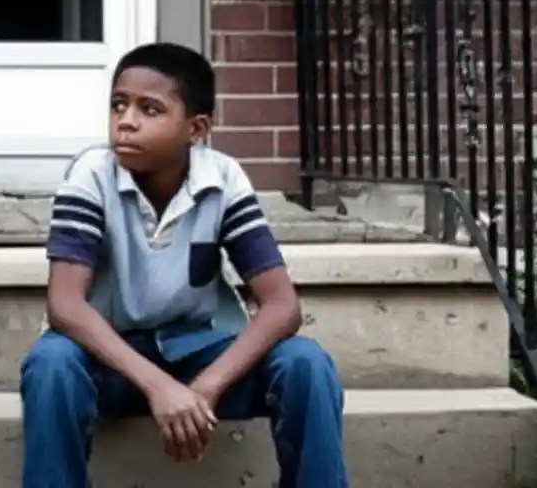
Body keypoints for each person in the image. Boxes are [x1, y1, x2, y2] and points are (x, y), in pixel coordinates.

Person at [20, 42, 350, 488]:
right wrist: (159, 387)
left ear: (196, 129)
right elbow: (65, 305)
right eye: (119, 105)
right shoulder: (92, 174)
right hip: (107, 360)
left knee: (306, 363)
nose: (126, 121)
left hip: (195, 353)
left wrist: (204, 389)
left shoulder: (222, 177)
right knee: (51, 363)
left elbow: (281, 306)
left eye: (149, 109)